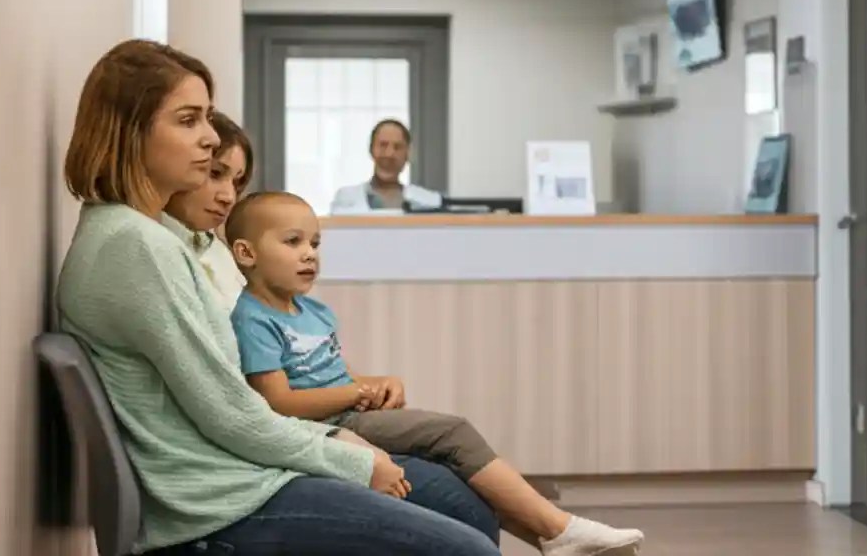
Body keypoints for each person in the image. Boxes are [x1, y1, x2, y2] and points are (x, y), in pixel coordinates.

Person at [56, 39, 503, 555]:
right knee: (470, 548)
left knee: (464, 510)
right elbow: (229, 415)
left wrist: (334, 444)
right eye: (187, 120)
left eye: (207, 118)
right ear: (130, 130)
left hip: (230, 479)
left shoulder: (148, 235)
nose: (208, 138)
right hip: (216, 505)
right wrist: (350, 457)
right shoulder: (135, 245)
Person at [223, 190, 647, 556]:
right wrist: (355, 395)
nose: (310, 253)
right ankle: (559, 529)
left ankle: (552, 536)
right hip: (324, 427)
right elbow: (278, 402)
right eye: (293, 242)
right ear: (247, 253)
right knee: (453, 433)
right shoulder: (253, 318)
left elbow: (336, 374)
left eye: (315, 242)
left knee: (455, 458)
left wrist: (376, 383)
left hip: (348, 412)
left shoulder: (314, 310)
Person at [161, 111, 253, 313]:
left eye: (237, 183)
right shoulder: (150, 246)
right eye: (215, 173)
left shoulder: (216, 248)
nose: (228, 196)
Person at [329, 118, 443, 213]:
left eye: (397, 147)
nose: (389, 154)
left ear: (407, 154)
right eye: (383, 145)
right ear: (371, 150)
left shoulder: (428, 201)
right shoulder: (345, 199)